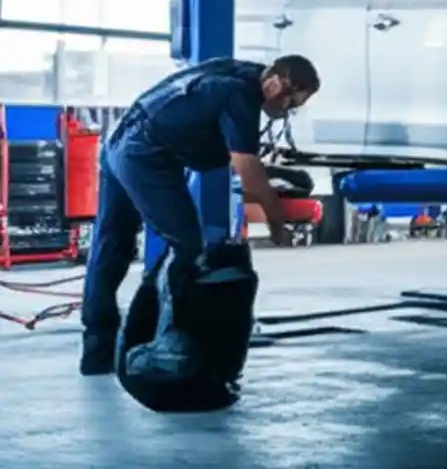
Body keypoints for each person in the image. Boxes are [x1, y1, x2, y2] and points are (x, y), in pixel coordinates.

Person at [80, 55, 320, 376]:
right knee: (187, 247)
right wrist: (276, 224)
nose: (286, 110)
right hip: (144, 152)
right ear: (275, 83)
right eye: (290, 101)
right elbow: (247, 167)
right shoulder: (239, 95)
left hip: (119, 141)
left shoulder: (242, 73)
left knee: (112, 246)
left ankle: (98, 353)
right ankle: (166, 341)